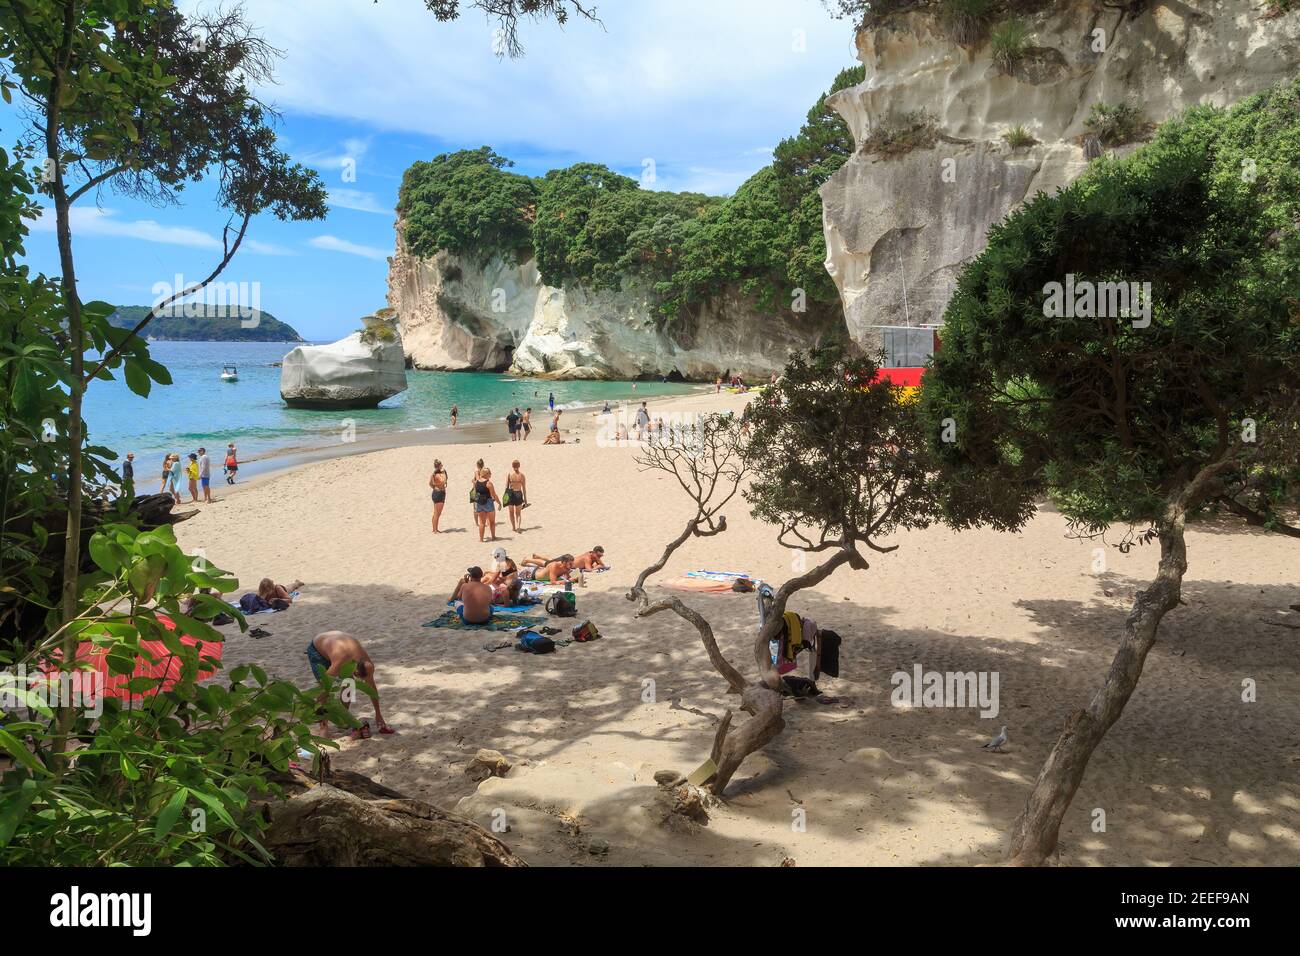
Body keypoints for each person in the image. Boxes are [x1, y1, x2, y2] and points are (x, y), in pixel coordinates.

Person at [307, 631, 393, 737]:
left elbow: (371, 688)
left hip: (336, 644)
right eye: (360, 677)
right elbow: (323, 688)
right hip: (318, 650)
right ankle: (323, 727)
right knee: (326, 689)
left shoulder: (367, 663)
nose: (362, 681)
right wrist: (318, 713)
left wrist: (378, 715)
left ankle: (343, 718)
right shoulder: (340, 659)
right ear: (355, 670)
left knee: (350, 683)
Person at [472, 466, 501, 542]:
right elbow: (494, 495)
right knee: (492, 522)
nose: (490, 474)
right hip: (488, 503)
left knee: (481, 523)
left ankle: (481, 539)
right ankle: (493, 537)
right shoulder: (489, 483)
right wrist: (499, 503)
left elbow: (475, 493)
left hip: (479, 503)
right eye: (489, 473)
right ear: (485, 474)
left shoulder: (477, 482)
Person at [503, 459, 527, 533]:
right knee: (518, 513)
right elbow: (524, 488)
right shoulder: (522, 475)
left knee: (511, 512)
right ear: (519, 466)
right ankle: (518, 526)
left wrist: (505, 497)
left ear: (512, 466)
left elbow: (506, 487)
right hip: (518, 493)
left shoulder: (509, 474)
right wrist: (525, 500)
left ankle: (513, 527)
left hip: (511, 494)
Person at [429, 459, 448, 533]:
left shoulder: (433, 474)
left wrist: (434, 487)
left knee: (436, 513)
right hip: (439, 494)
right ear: (439, 466)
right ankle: (435, 529)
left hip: (437, 493)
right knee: (437, 513)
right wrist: (444, 473)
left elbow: (430, 483)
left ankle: (435, 529)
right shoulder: (437, 475)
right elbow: (443, 481)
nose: (442, 466)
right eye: (441, 465)